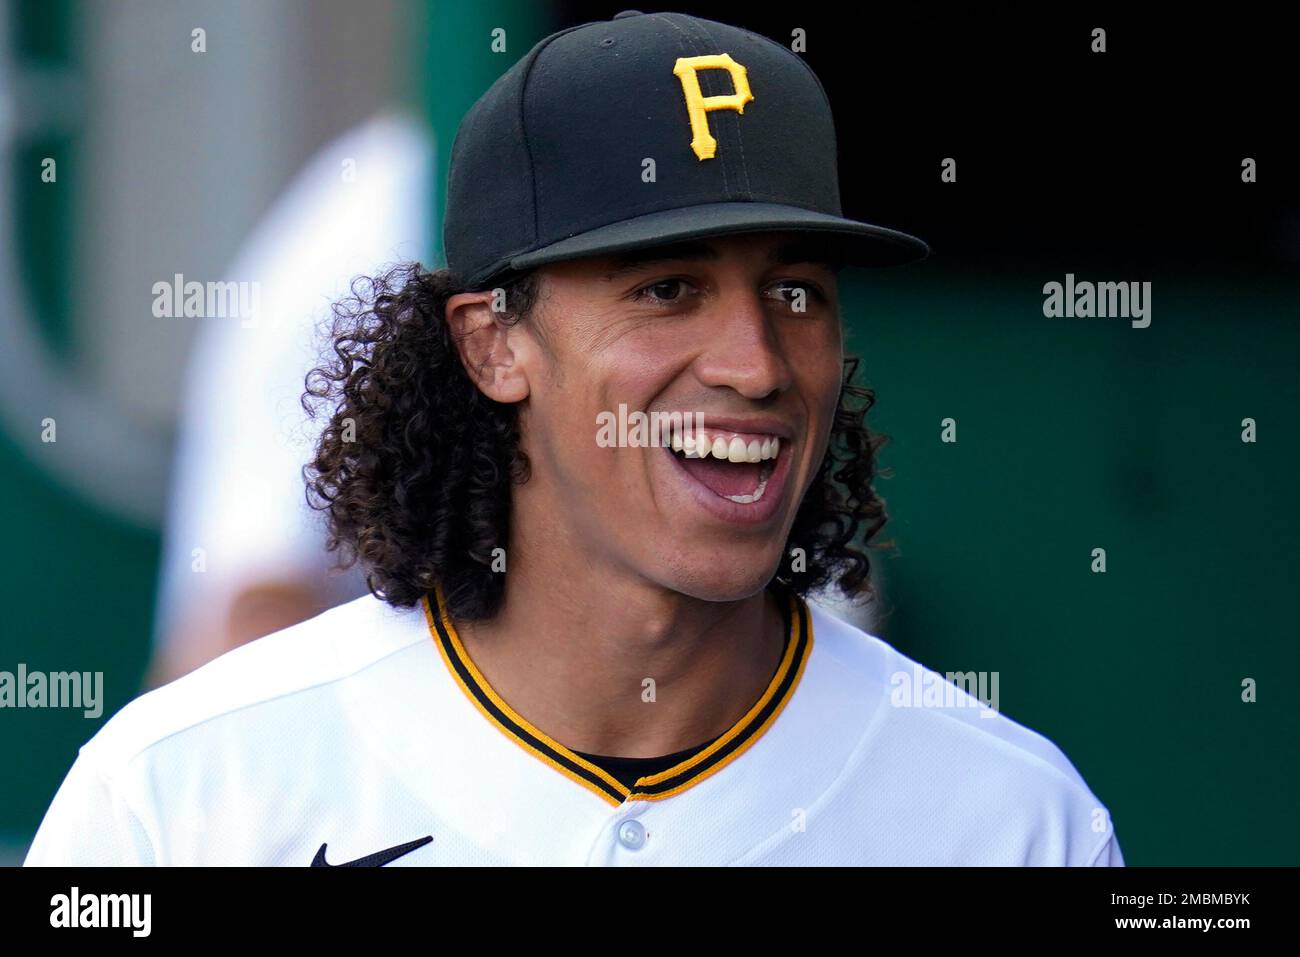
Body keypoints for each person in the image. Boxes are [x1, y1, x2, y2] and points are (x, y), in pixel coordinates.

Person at [25, 11, 1123, 866]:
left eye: (794, 293)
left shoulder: (1011, 820)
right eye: (666, 289)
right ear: (494, 346)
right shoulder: (181, 792)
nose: (753, 362)